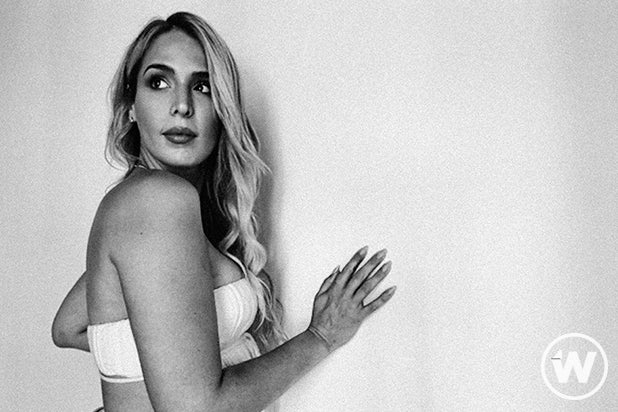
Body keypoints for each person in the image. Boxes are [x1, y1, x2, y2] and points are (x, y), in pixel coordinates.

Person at [52, 11, 396, 411]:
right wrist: (320, 337)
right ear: (130, 106)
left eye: (202, 86)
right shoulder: (158, 201)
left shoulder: (142, 207)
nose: (182, 105)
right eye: (159, 82)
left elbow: (68, 327)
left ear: (223, 108)